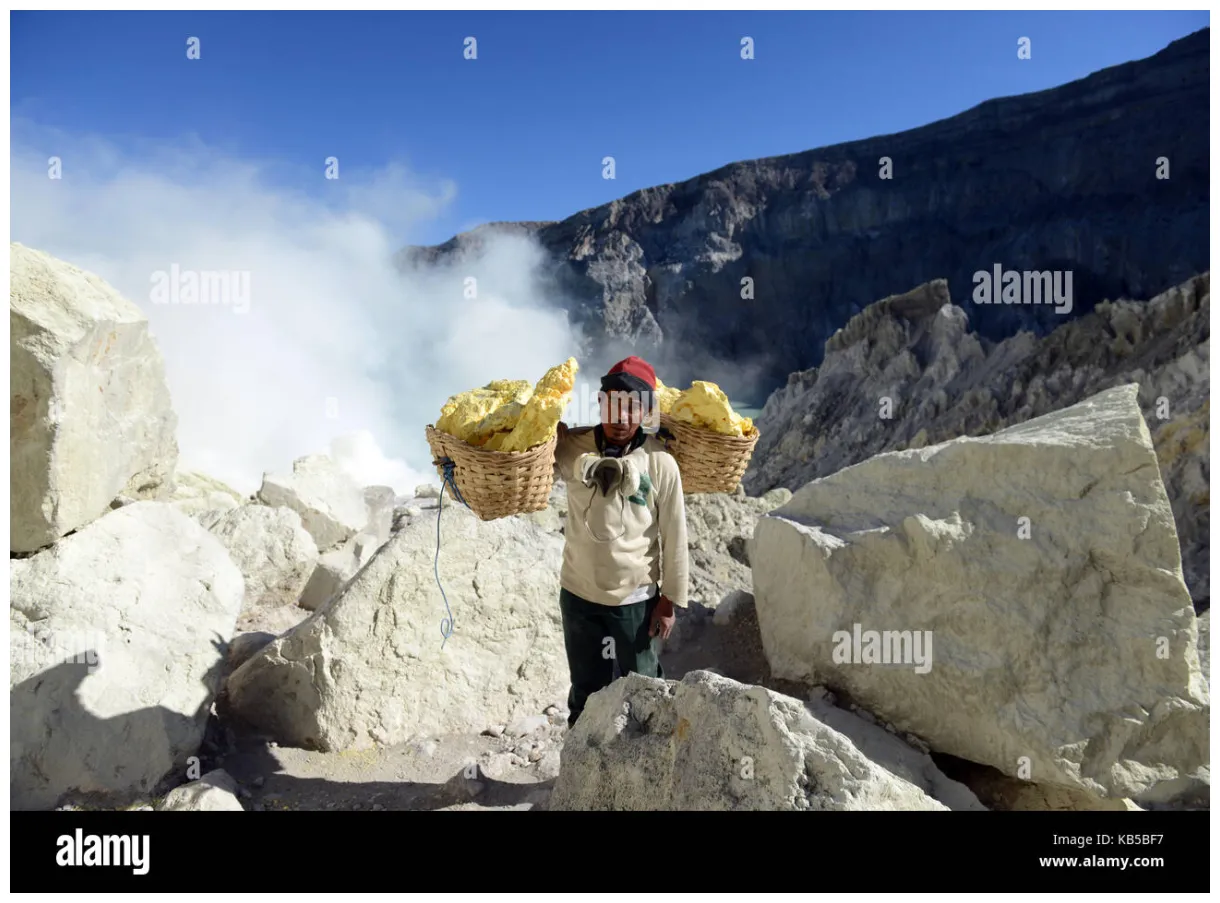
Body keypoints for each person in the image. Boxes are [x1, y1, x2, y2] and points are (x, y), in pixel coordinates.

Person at [553, 355, 689, 729]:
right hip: (579, 594)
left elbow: (675, 533)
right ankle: (581, 770)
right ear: (600, 404)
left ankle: (651, 769)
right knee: (586, 691)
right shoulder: (572, 448)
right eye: (613, 406)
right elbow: (527, 464)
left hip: (635, 601)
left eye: (632, 408)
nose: (621, 418)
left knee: (644, 689)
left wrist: (669, 601)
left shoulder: (660, 463)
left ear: (645, 412)